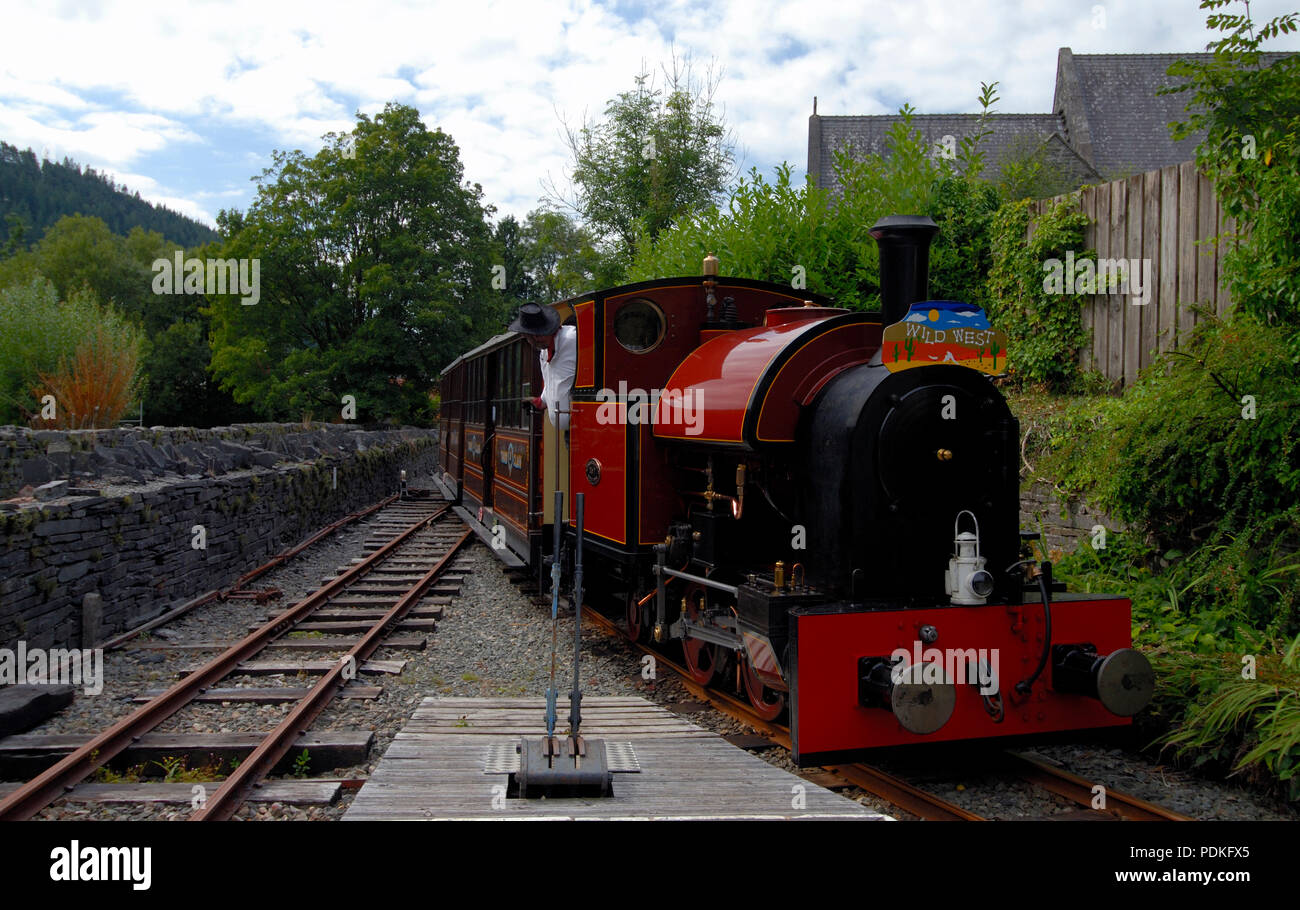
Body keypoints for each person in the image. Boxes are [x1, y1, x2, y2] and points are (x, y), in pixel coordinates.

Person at [509, 303, 576, 430]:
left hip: (583, 426)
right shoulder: (543, 353)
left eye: (538, 334)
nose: (533, 341)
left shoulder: (573, 339)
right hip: (569, 432)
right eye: (530, 337)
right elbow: (552, 383)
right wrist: (541, 401)